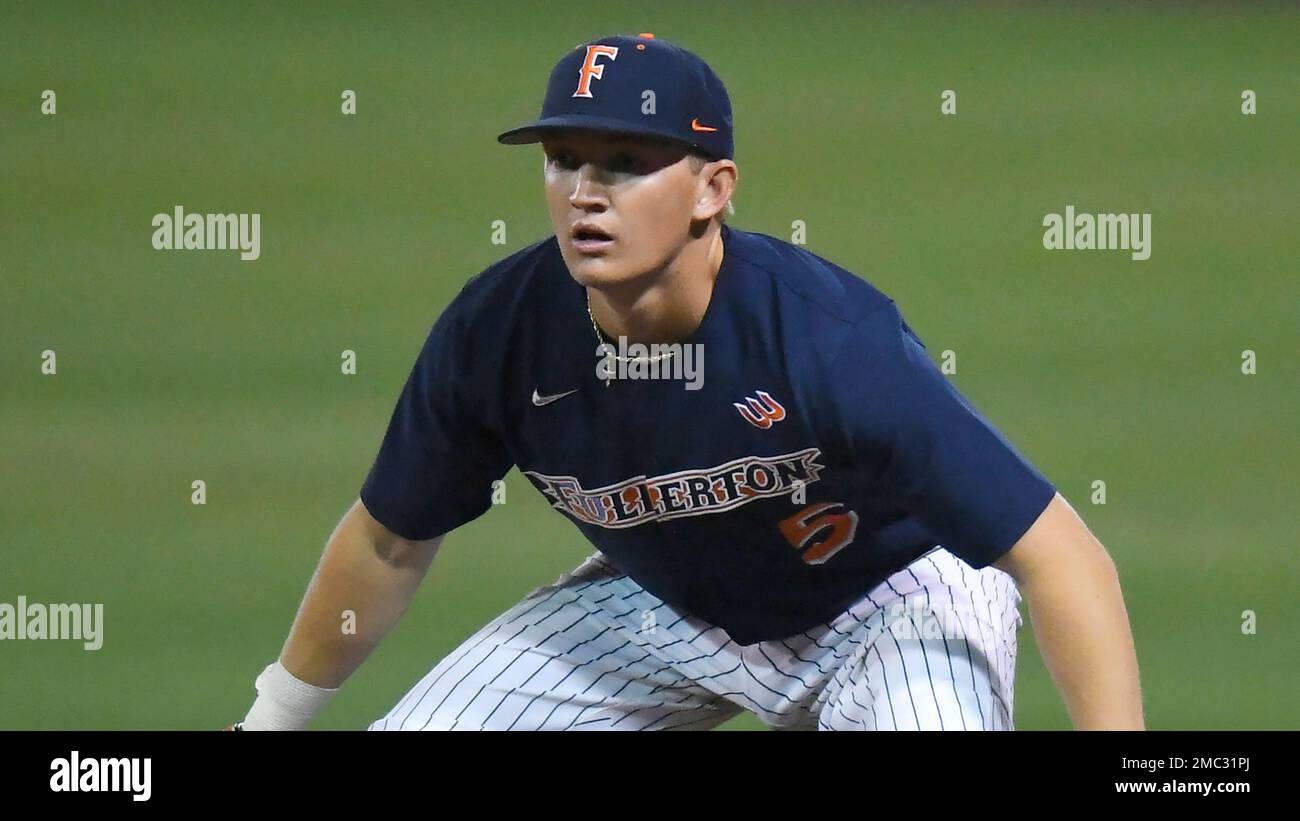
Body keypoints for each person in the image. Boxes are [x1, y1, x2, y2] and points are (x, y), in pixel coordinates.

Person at [232, 33, 1143, 731]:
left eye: (626, 163)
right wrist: (270, 718)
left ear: (713, 188)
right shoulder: (497, 332)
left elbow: (1061, 556)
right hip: (662, 610)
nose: (586, 191)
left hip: (891, 602)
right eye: (563, 160)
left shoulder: (826, 339)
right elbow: (389, 542)